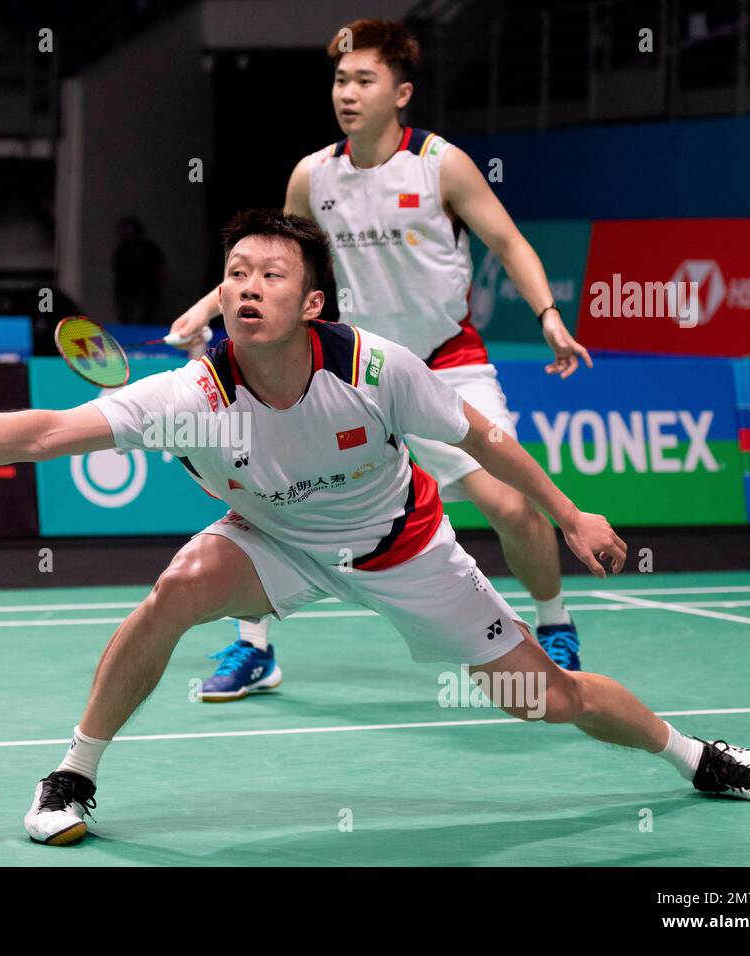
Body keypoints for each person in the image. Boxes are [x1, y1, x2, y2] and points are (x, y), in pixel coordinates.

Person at [0, 210, 750, 847]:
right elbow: (47, 431)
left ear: (312, 304)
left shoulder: (377, 371)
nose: (247, 284)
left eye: (271, 272)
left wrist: (569, 511)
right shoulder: (189, 392)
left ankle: (701, 759)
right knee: (176, 592)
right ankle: (72, 775)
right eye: (234, 274)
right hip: (272, 542)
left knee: (546, 700)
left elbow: (486, 441)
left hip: (405, 549)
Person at [170, 19, 592, 701]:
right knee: (262, 501)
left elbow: (509, 242)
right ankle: (253, 648)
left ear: (402, 92)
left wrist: (549, 317)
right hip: (348, 372)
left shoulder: (439, 164)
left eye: (364, 80)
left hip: (444, 363)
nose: (347, 93)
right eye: (340, 80)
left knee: (511, 505)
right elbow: (274, 259)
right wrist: (209, 307)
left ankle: (555, 625)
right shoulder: (314, 174)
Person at [111, 215, 166, 325]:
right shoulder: (121, 250)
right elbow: (116, 269)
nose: (124, 233)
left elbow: (160, 271)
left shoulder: (150, 249)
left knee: (143, 322)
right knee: (126, 322)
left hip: (146, 295)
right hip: (124, 294)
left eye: (128, 230)